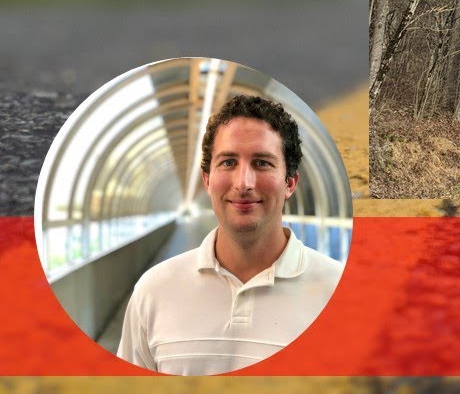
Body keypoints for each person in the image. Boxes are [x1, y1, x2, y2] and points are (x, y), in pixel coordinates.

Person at [117, 94, 343, 375]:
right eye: (228, 162)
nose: (243, 183)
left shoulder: (342, 295)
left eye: (262, 163)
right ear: (207, 181)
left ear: (289, 183)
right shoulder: (153, 292)